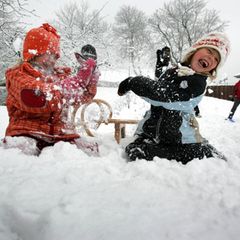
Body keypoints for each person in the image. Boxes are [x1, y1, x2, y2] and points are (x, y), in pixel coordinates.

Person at [117, 32, 230, 164]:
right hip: (153, 133)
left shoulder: (198, 83)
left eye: (217, 59)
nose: (211, 58)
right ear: (195, 50)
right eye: (210, 51)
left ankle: (206, 151)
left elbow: (163, 96)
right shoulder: (175, 72)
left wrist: (133, 82)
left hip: (180, 141)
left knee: (138, 152)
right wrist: (161, 69)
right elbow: (161, 87)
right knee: (134, 149)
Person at [2, 23, 100, 155]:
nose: (54, 60)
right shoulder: (18, 75)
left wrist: (91, 77)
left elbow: (82, 96)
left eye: (56, 56)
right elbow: (41, 98)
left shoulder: (58, 77)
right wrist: (77, 81)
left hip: (60, 136)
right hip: (27, 133)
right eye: (51, 55)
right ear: (35, 54)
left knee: (90, 149)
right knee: (22, 150)